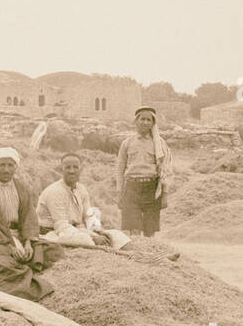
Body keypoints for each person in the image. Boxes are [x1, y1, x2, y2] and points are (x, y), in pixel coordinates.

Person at [0, 147, 54, 301]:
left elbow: (28, 215)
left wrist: (27, 242)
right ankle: (22, 282)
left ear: (16, 167)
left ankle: (25, 263)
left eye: (10, 165)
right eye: (2, 165)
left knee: (51, 251)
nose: (6, 170)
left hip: (18, 235)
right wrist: (11, 245)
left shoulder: (21, 187)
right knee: (1, 262)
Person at [115, 106, 174, 237]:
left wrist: (164, 194)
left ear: (153, 123)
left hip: (151, 188)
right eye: (142, 119)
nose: (145, 122)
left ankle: (150, 256)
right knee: (134, 230)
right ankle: (136, 256)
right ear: (136, 121)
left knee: (150, 230)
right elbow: (120, 169)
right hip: (131, 188)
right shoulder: (127, 143)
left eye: (149, 120)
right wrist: (119, 192)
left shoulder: (159, 143)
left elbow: (166, 169)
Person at [37, 152, 113, 247]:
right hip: (53, 232)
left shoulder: (82, 189)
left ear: (81, 169)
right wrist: (93, 236)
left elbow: (88, 215)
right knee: (85, 240)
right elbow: (61, 225)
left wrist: (99, 231)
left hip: (75, 230)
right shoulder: (54, 191)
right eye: (68, 167)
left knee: (115, 235)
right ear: (61, 169)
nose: (72, 171)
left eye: (75, 167)